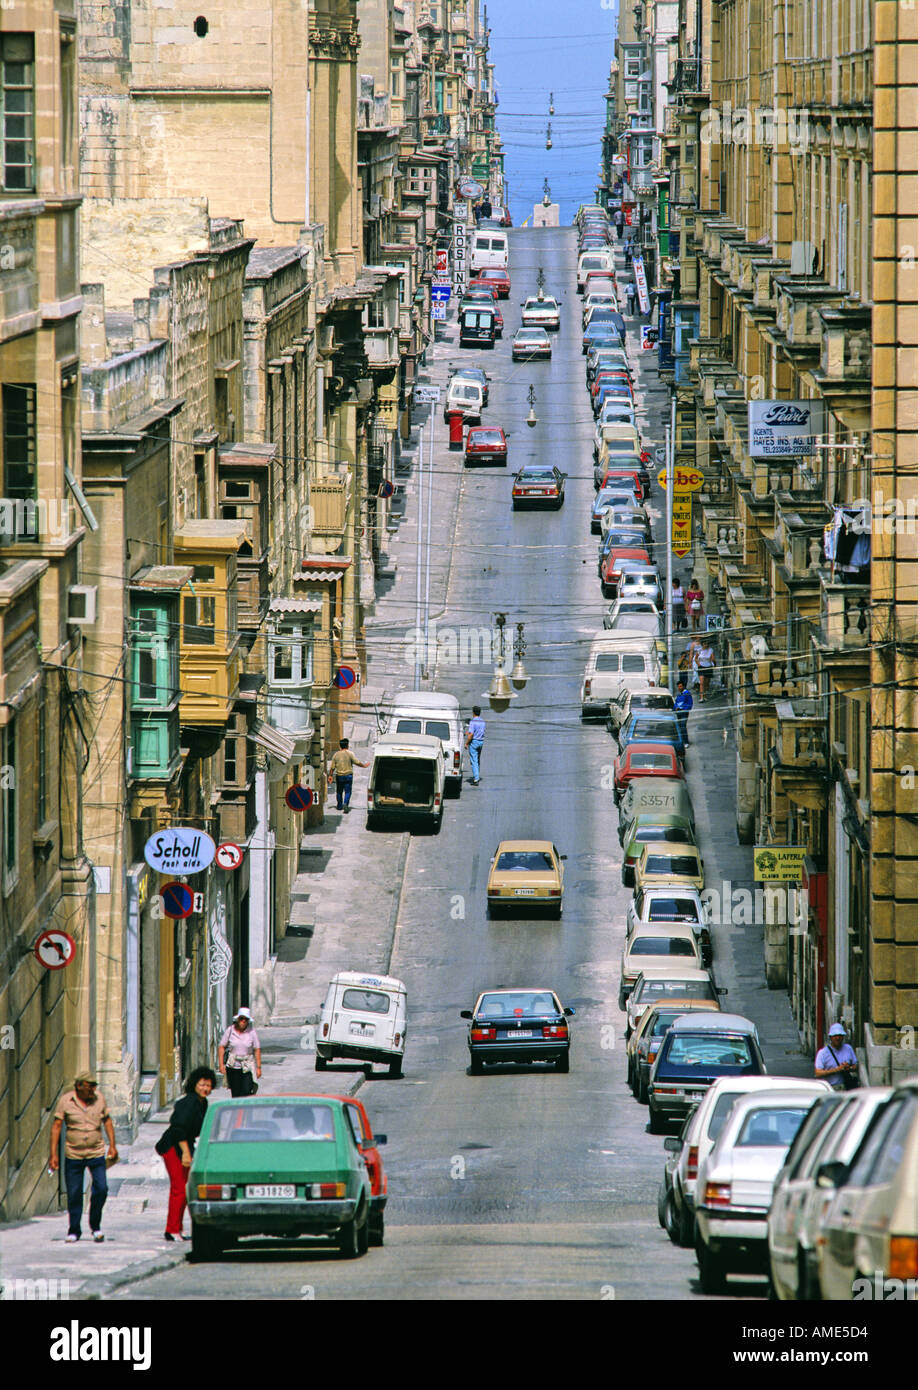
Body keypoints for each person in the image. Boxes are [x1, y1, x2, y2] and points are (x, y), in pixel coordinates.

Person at [50, 1069, 118, 1244]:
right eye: (90, 1086)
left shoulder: (99, 1099)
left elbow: (107, 1121)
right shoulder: (66, 1101)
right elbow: (57, 1126)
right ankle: (74, 1230)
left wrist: (113, 1145)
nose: (93, 1090)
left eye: (95, 1086)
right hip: (73, 1154)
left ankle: (95, 1226)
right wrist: (53, 1155)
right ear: (79, 1086)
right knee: (73, 1193)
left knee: (102, 1189)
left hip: (96, 1152)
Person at [155, 1067, 217, 1240]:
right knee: (179, 1189)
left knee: (186, 1190)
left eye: (208, 1086)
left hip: (186, 1146)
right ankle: (172, 1229)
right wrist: (185, 1153)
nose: (205, 1088)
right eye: (202, 1084)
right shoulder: (188, 1102)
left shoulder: (202, 1103)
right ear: (194, 1084)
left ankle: (178, 1229)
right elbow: (178, 1129)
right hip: (174, 1147)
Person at [218, 1007, 262, 1097]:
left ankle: (246, 1110)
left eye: (246, 1019)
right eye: (241, 1018)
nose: (243, 1021)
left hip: (247, 1066)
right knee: (236, 1093)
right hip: (233, 1066)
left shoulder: (252, 1032)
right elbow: (221, 1047)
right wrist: (221, 1065)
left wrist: (258, 1067)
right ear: (238, 1019)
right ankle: (237, 1110)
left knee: (247, 1090)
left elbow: (257, 1049)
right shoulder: (230, 1030)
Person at [327, 737, 368, 813]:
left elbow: (332, 767)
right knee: (348, 791)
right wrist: (364, 766)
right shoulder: (350, 753)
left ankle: (339, 806)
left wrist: (330, 776)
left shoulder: (336, 755)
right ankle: (345, 803)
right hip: (348, 776)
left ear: (340, 746)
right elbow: (357, 762)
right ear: (347, 745)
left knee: (339, 791)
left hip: (339, 776)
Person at [815, 1022, 859, 1091]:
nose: (838, 1038)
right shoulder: (823, 1053)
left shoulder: (848, 1048)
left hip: (846, 1087)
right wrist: (836, 1070)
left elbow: (855, 1065)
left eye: (840, 1035)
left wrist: (849, 1068)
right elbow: (818, 1073)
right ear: (830, 1037)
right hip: (830, 1088)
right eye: (835, 1036)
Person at [465, 705, 486, 786]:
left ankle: (476, 779)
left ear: (473, 712)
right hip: (481, 742)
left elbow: (471, 735)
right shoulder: (482, 722)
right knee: (477, 759)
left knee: (474, 761)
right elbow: (479, 732)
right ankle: (477, 775)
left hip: (474, 742)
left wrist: (466, 743)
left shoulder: (473, 722)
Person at [674, 679, 694, 745]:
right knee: (679, 727)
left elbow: (689, 704)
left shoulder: (687, 694)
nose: (679, 688)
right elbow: (676, 703)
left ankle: (686, 742)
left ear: (683, 686)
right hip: (678, 713)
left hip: (684, 713)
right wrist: (675, 708)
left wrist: (683, 709)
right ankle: (681, 741)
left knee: (683, 727)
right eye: (678, 686)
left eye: (680, 686)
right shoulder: (679, 695)